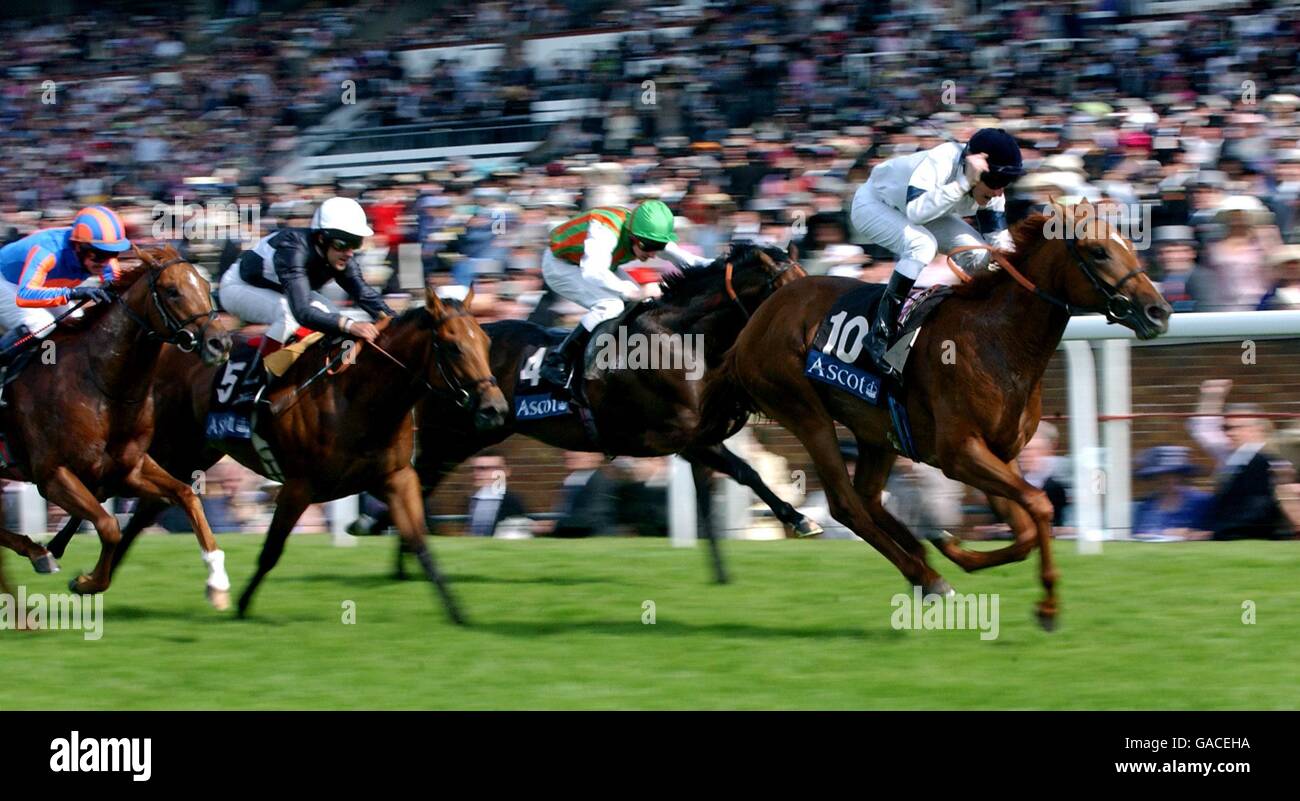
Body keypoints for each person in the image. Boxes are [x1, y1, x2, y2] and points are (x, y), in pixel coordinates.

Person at [850, 128, 1025, 374]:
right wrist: (964, 182)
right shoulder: (942, 160)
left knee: (981, 256)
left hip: (927, 209)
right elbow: (916, 212)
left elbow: (999, 242)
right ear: (973, 167)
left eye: (1005, 183)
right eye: (995, 181)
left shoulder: (993, 191)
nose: (998, 191)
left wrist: (1016, 265)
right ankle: (880, 334)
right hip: (874, 204)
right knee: (922, 246)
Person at [217, 196, 395, 409]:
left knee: (334, 315)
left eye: (355, 244)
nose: (348, 253)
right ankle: (251, 385)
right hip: (238, 287)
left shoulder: (342, 258)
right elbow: (302, 312)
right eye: (342, 244)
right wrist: (352, 326)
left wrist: (400, 322)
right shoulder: (293, 249)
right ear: (321, 238)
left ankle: (341, 376)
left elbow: (367, 297)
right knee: (289, 315)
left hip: (278, 289)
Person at [537, 199, 712, 389]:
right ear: (632, 236)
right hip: (561, 264)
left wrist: (729, 266)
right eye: (649, 246)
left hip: (597, 265)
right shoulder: (604, 229)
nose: (653, 254)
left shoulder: (647, 233)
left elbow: (690, 261)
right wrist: (634, 291)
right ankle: (558, 360)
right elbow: (593, 271)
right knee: (610, 306)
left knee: (643, 302)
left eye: (658, 246)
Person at [0, 206, 128, 377]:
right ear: (78, 247)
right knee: (41, 323)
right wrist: (72, 293)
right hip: (7, 282)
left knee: (78, 319)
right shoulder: (48, 251)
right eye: (98, 255)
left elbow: (118, 291)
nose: (105, 262)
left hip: (39, 285)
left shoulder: (105, 260)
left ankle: (47, 366)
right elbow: (25, 296)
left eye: (112, 254)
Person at [1188, 379, 1291, 540]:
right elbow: (1204, 430)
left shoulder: (1275, 459)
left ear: (1257, 428)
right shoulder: (1235, 454)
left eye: (1235, 427)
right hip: (1231, 533)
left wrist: (1217, 534)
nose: (1229, 433)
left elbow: (1261, 509)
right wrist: (1213, 395)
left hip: (1262, 536)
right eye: (1226, 428)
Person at [1131, 446, 1212, 540]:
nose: (1168, 479)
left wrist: (1192, 534)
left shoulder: (1202, 502)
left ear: (1182, 475)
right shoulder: (1146, 506)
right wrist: (1161, 533)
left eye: (1173, 474)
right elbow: (1136, 536)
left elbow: (1220, 533)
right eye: (1161, 475)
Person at [465, 451, 529, 538]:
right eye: (477, 468)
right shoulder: (472, 499)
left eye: (487, 468)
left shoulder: (512, 501)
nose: (479, 473)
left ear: (506, 471)